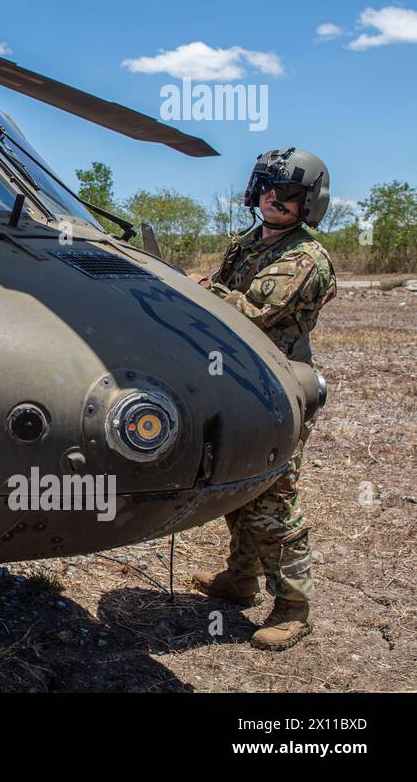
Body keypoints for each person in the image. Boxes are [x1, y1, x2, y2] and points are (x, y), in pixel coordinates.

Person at [190, 148, 337, 650]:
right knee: (237, 488)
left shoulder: (305, 257)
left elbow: (254, 313)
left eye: (291, 192)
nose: (276, 197)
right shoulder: (247, 244)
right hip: (240, 383)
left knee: (273, 498)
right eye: (269, 187)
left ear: (309, 203)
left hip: (277, 388)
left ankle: (294, 605)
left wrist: (202, 290)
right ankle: (239, 580)